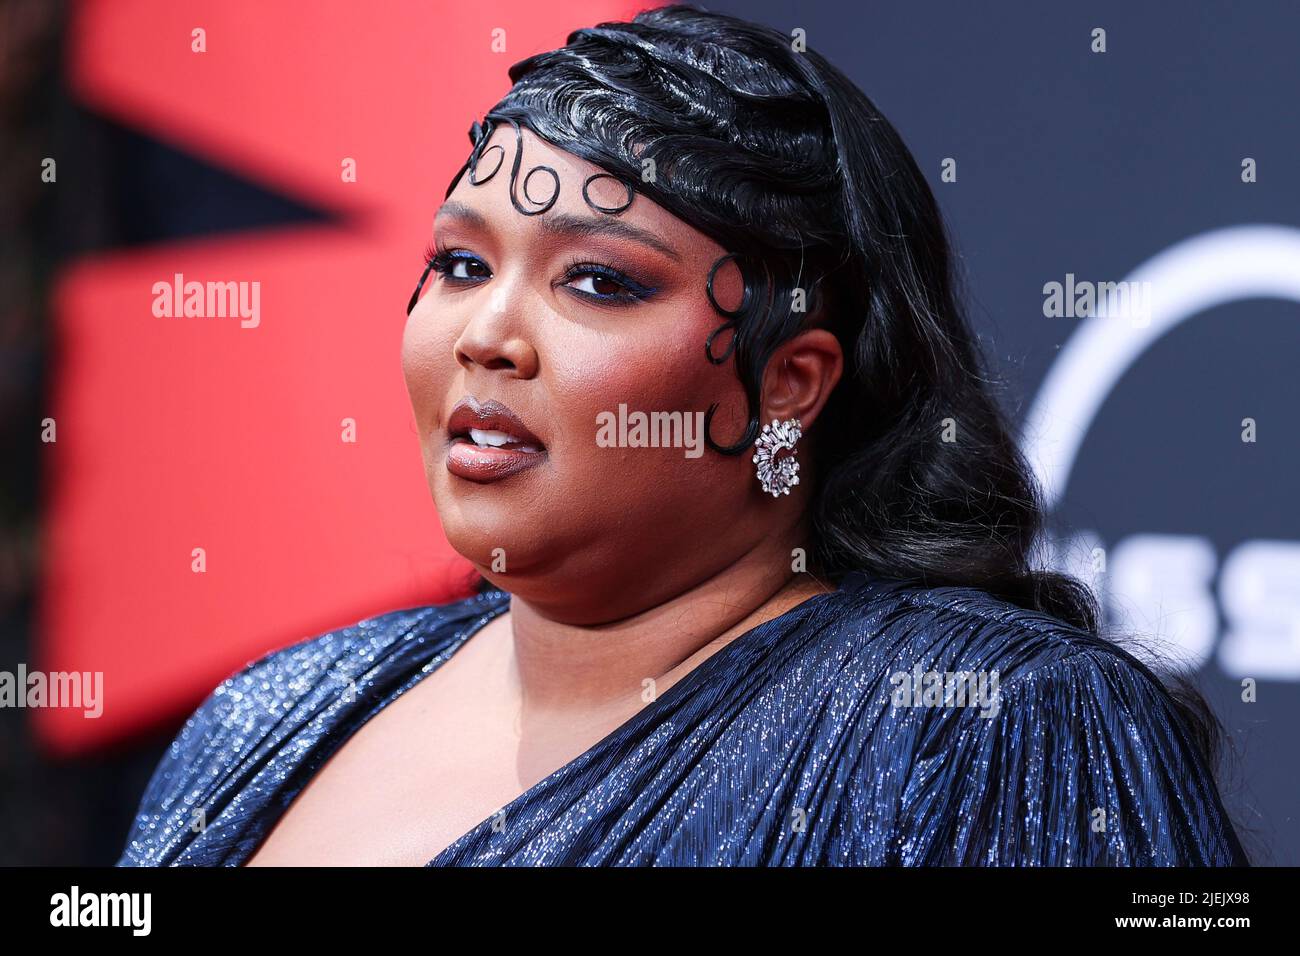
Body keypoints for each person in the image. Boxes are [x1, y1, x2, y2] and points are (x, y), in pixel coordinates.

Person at [115, 4, 1249, 866]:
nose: (486, 335)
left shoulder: (990, 729)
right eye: (459, 263)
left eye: (597, 281)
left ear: (788, 382)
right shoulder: (272, 707)